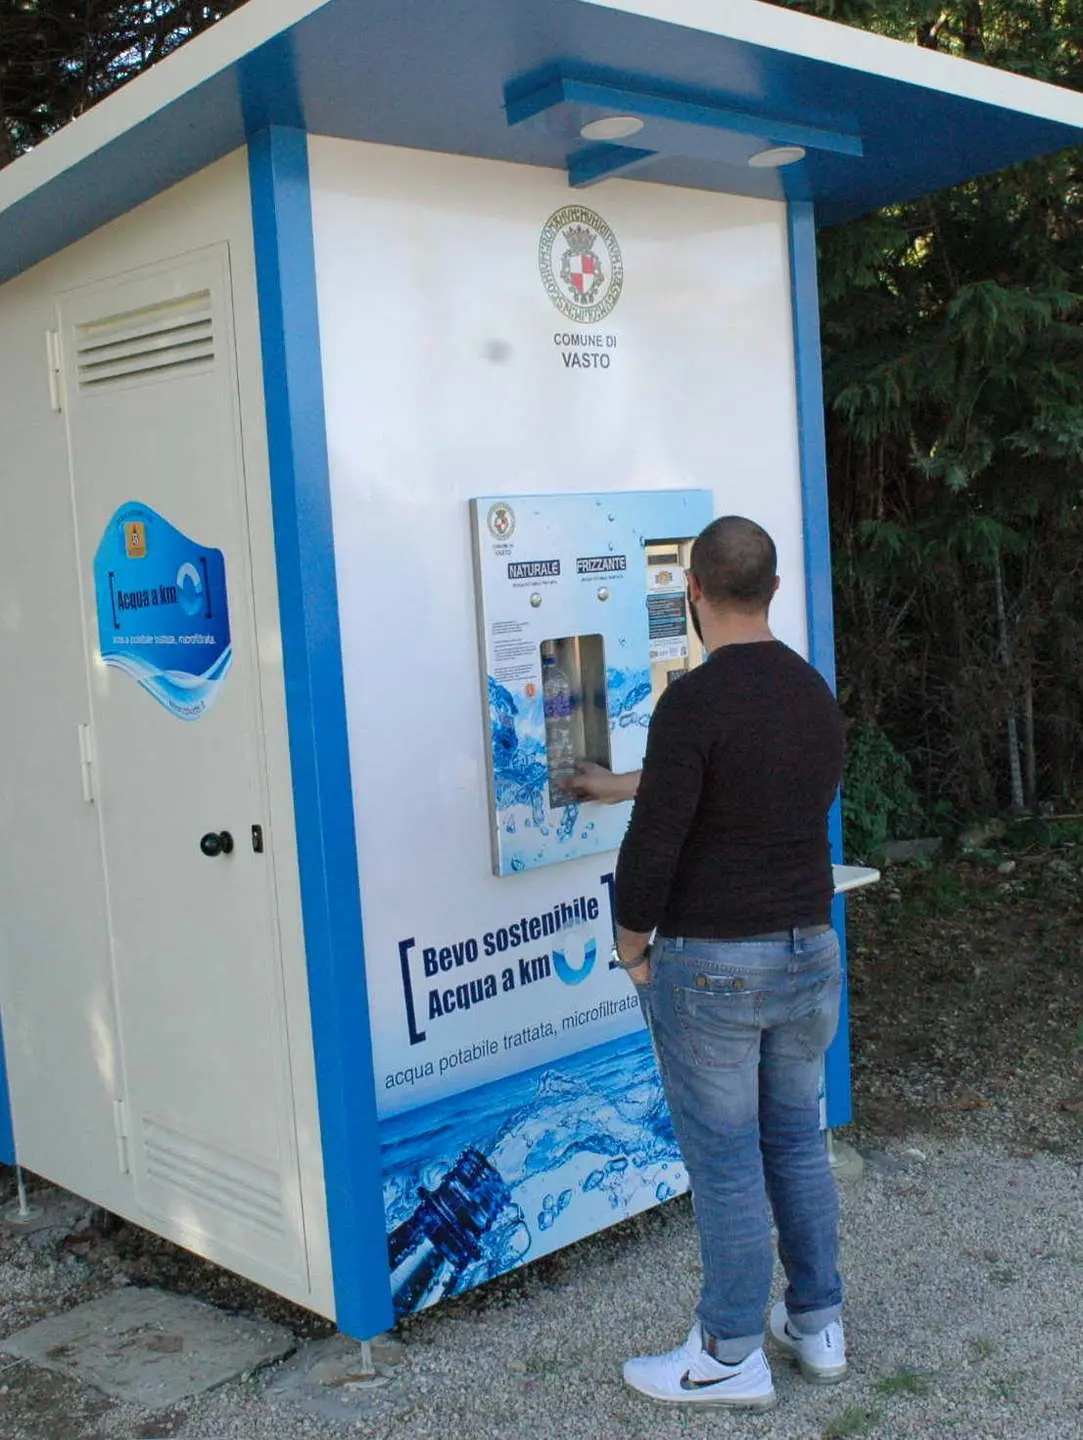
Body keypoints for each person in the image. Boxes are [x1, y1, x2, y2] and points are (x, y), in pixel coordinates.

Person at [573, 515, 846, 1412]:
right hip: (809, 951)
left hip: (716, 970)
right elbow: (745, 784)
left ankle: (728, 1353)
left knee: (727, 1162)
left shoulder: (692, 702)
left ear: (691, 593)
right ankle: (816, 1321)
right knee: (795, 1141)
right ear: (771, 590)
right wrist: (621, 781)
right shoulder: (810, 693)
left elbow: (657, 843)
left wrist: (629, 942)